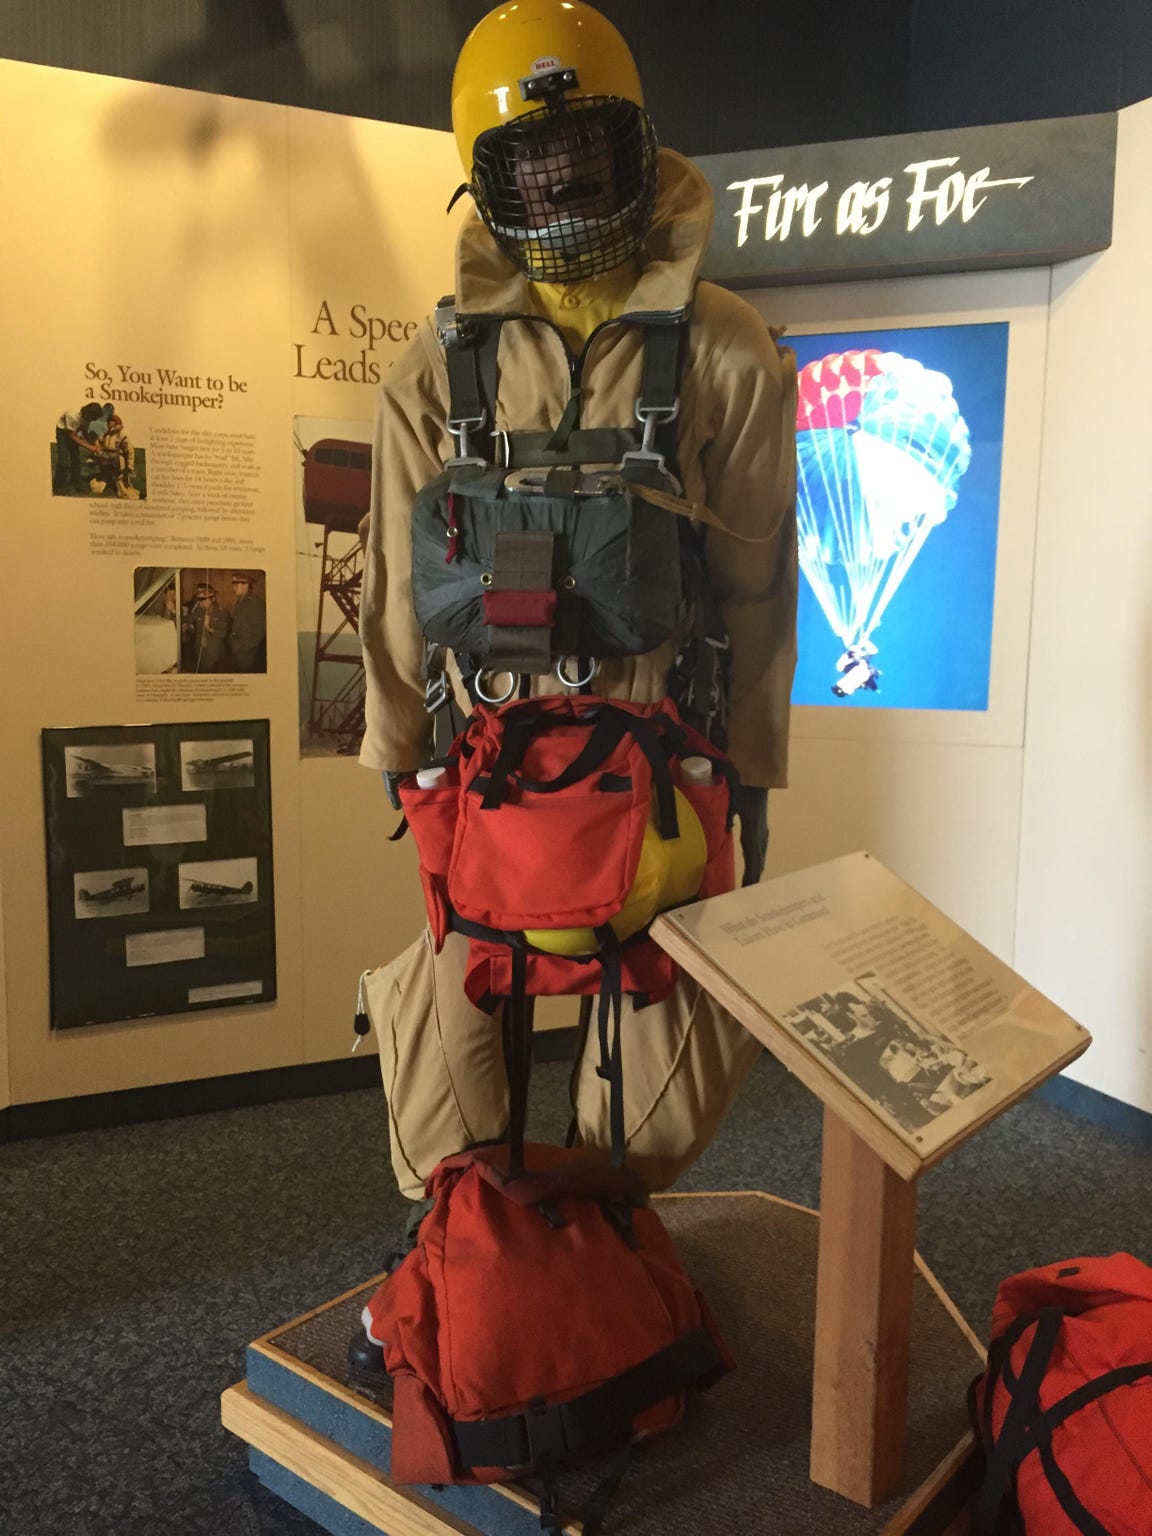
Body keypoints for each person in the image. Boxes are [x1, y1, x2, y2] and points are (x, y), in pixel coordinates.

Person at [358, 0, 798, 1200]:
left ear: (633, 146)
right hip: (485, 768)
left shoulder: (725, 350)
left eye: (583, 153)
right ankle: (477, 1262)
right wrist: (403, 755)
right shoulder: (432, 366)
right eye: (529, 163)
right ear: (484, 179)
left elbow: (759, 586)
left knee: (646, 1116)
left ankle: (606, 1268)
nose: (560, 188)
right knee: (445, 1111)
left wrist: (749, 772)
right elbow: (395, 585)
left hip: (665, 763)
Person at [53, 403, 105, 494]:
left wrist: (94, 444)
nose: (92, 420)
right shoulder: (72, 415)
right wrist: (90, 447)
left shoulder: (87, 417)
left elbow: (84, 431)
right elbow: (72, 436)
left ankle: (76, 481)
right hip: (62, 432)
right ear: (88, 414)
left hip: (72, 431)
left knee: (76, 458)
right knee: (63, 461)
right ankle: (59, 485)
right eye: (92, 418)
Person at [185, 583, 230, 673]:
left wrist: (209, 628)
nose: (203, 603)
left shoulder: (222, 612)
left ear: (212, 599)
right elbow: (188, 619)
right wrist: (174, 611)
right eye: (201, 601)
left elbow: (223, 633)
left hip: (213, 653)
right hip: (200, 651)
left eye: (206, 600)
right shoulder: (200, 610)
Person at [228, 572, 266, 672]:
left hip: (248, 652)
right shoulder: (240, 601)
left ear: (246, 585)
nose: (234, 588)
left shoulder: (255, 603)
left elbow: (259, 632)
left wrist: (241, 646)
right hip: (238, 650)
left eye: (236, 585)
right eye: (234, 585)